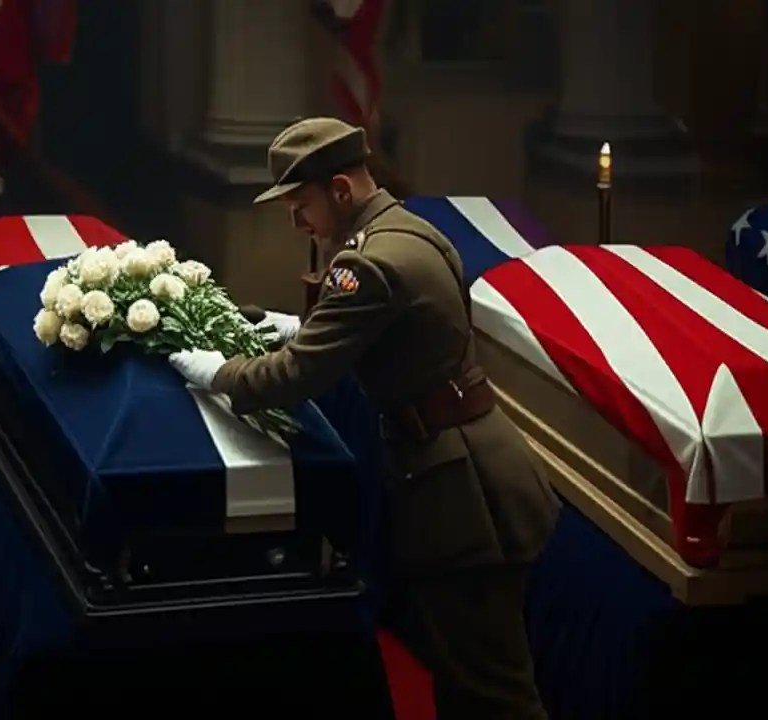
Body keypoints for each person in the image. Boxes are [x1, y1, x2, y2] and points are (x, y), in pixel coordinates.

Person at [168, 117, 561, 719]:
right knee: (470, 682)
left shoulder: (367, 266)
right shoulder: (408, 230)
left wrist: (209, 369)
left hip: (464, 501)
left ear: (341, 191)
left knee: (492, 694)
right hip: (473, 470)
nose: (299, 223)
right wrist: (298, 328)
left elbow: (292, 378)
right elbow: (402, 338)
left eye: (301, 206)